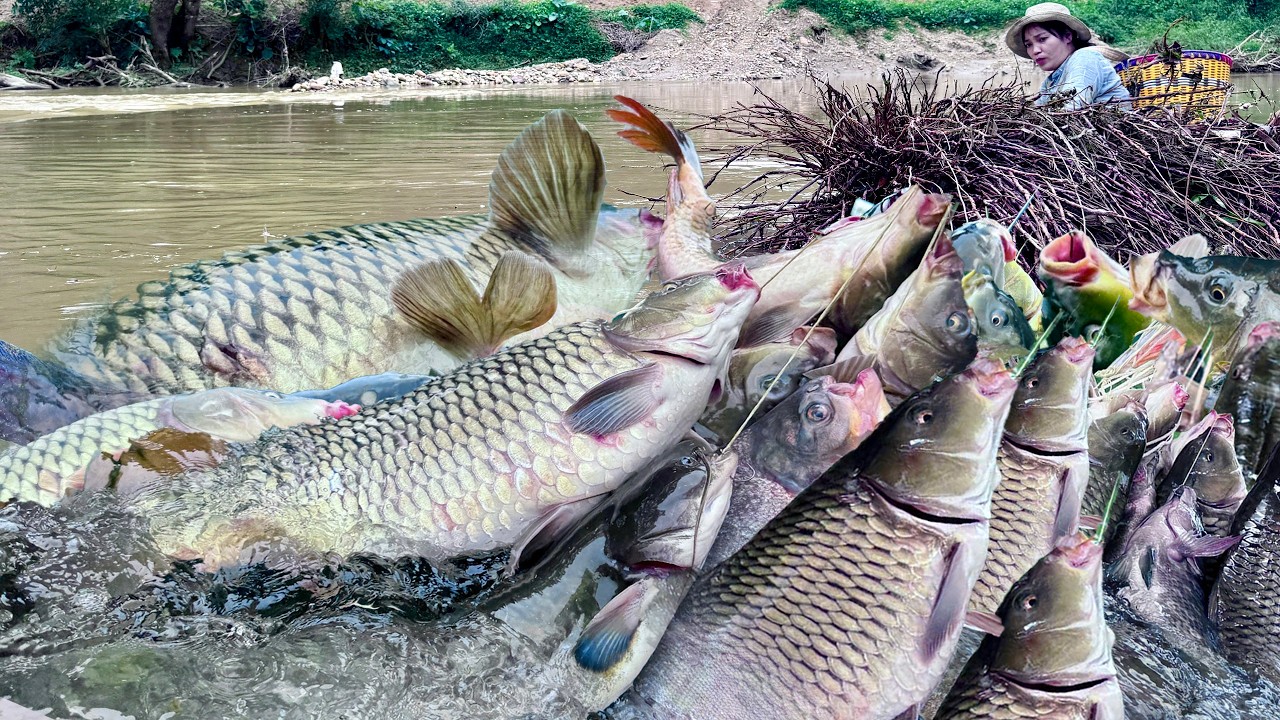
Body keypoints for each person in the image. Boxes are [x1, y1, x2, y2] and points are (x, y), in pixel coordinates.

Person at [1006, 3, 1132, 110]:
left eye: (1042, 39)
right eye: (1028, 44)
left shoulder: (1085, 58)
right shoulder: (1049, 83)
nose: (1035, 50)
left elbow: (1072, 107)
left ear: (1067, 36)